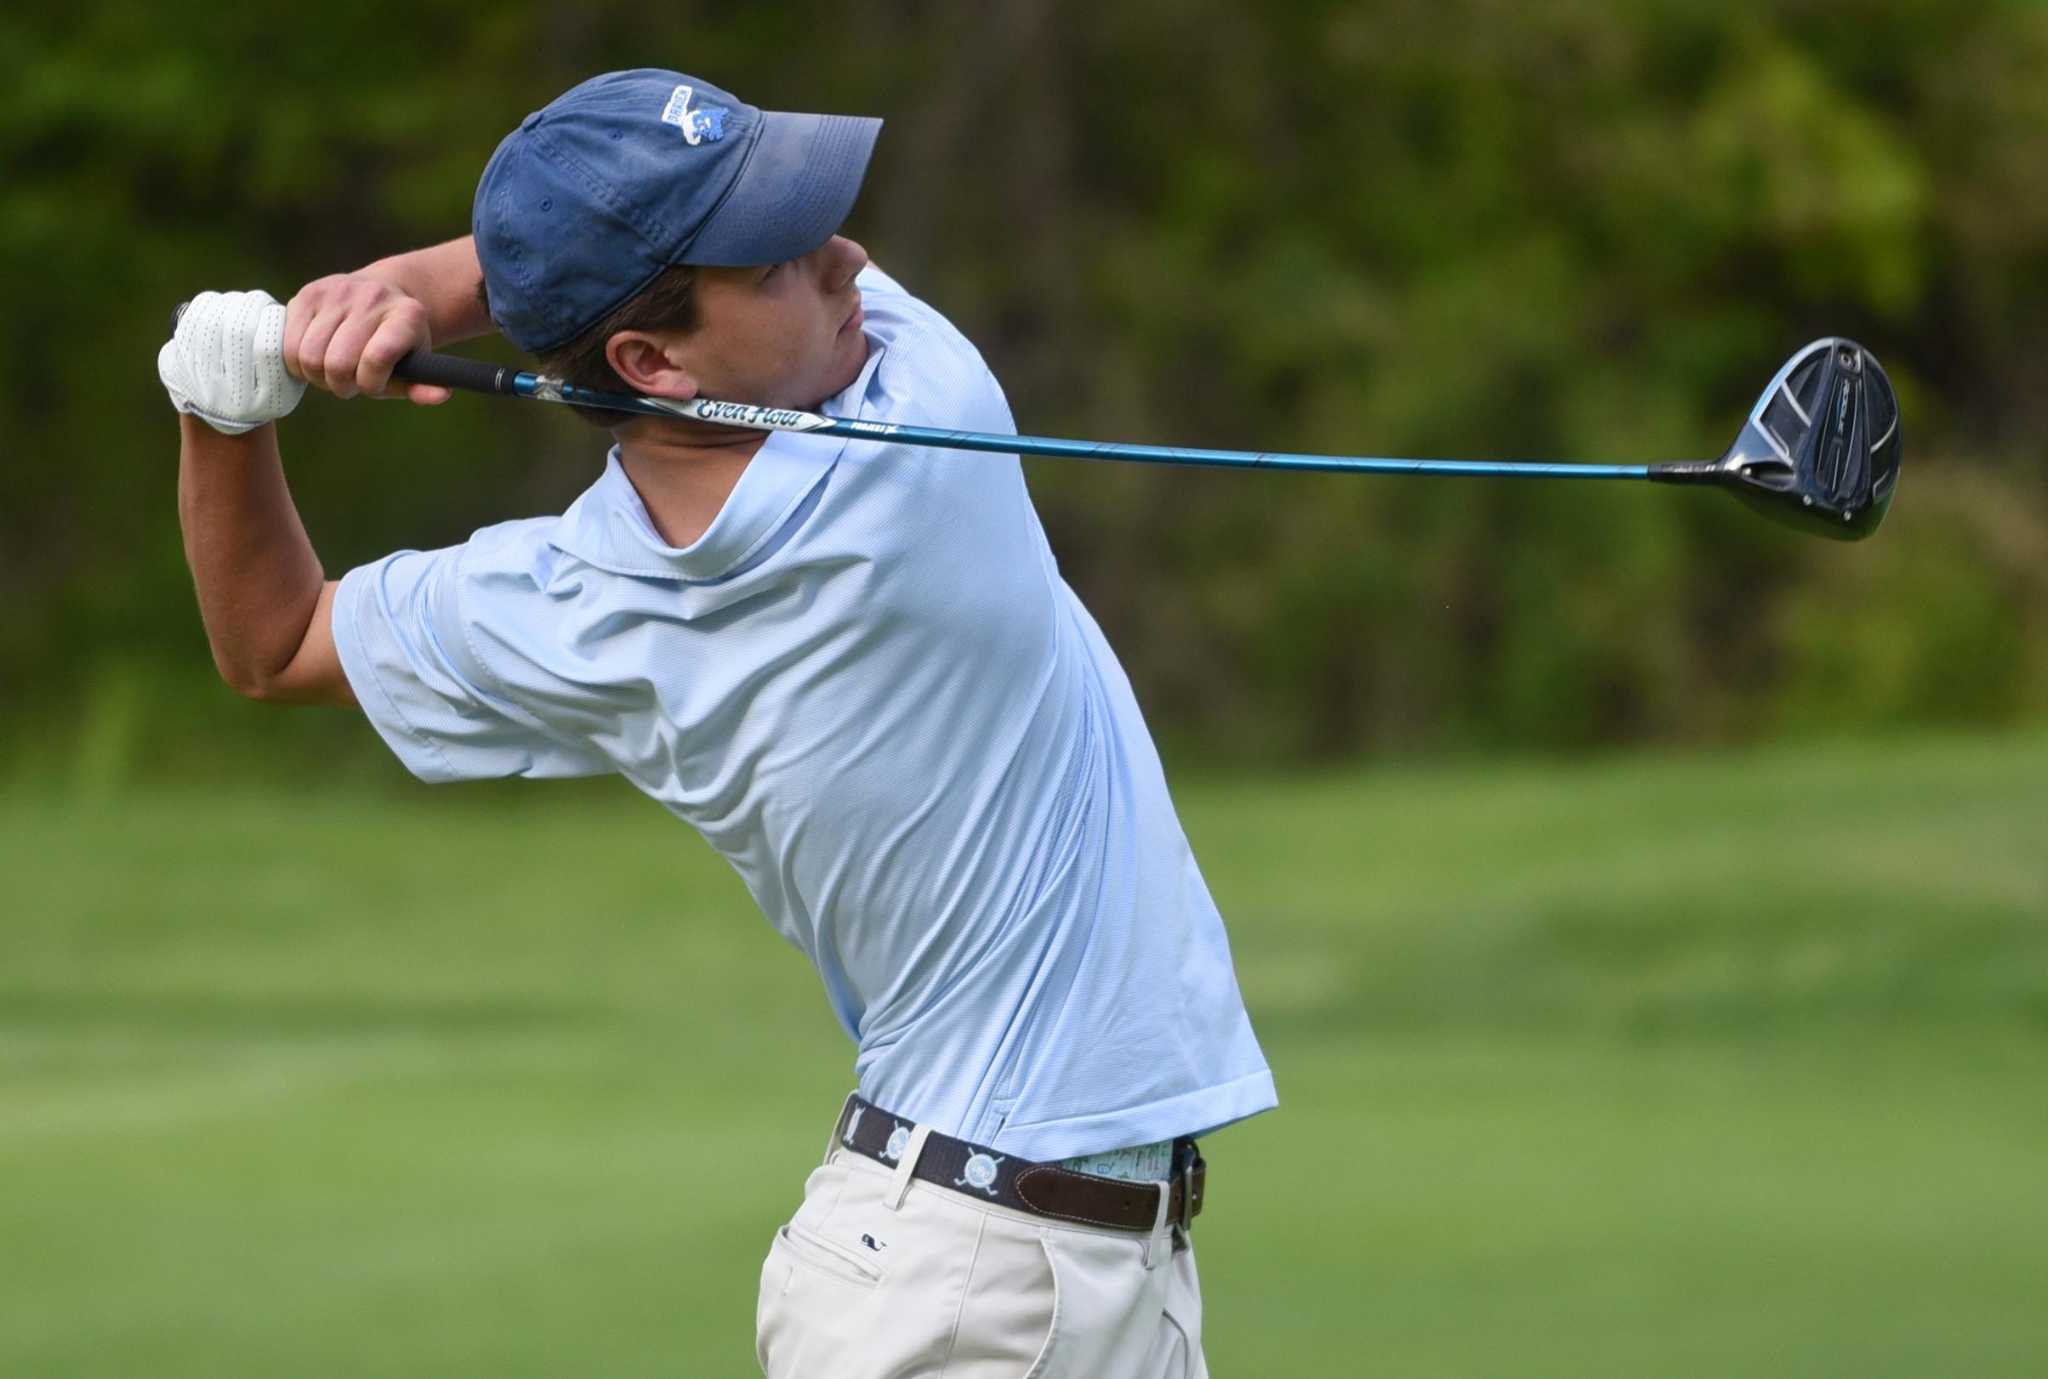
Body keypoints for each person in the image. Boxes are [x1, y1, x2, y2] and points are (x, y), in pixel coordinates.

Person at [158, 68, 1276, 1378]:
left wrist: (222, 414)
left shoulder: (584, 602)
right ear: (655, 364)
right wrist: (424, 281)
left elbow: (275, 640)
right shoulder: (915, 414)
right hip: (978, 1295)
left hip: (1014, 1263)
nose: (849, 257)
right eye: (783, 258)